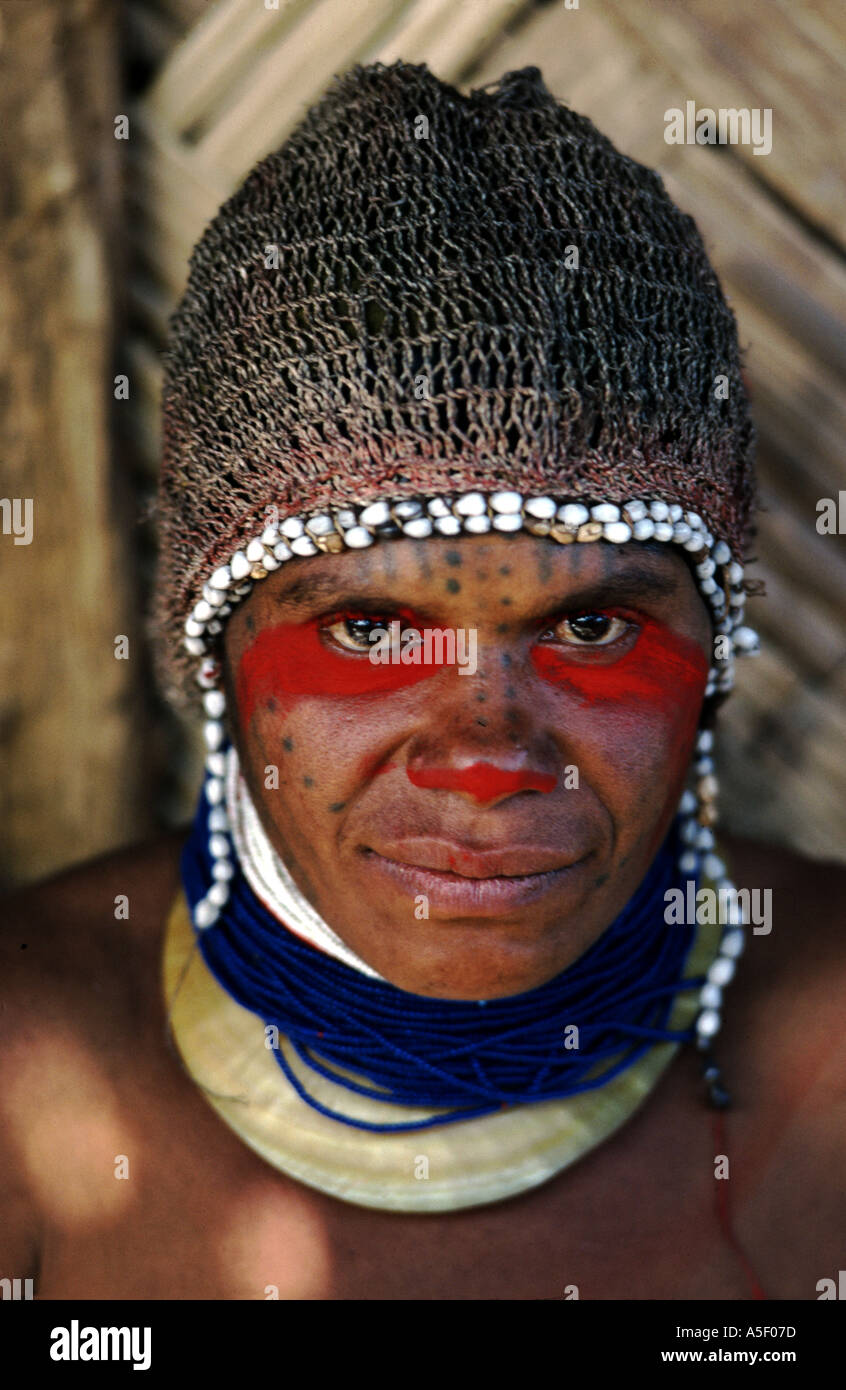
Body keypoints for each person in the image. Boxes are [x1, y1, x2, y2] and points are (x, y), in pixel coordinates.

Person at [2, 61, 845, 1302]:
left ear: (712, 666)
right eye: (366, 631)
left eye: (597, 625)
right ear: (215, 655)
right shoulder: (31, 1059)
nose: (487, 754)